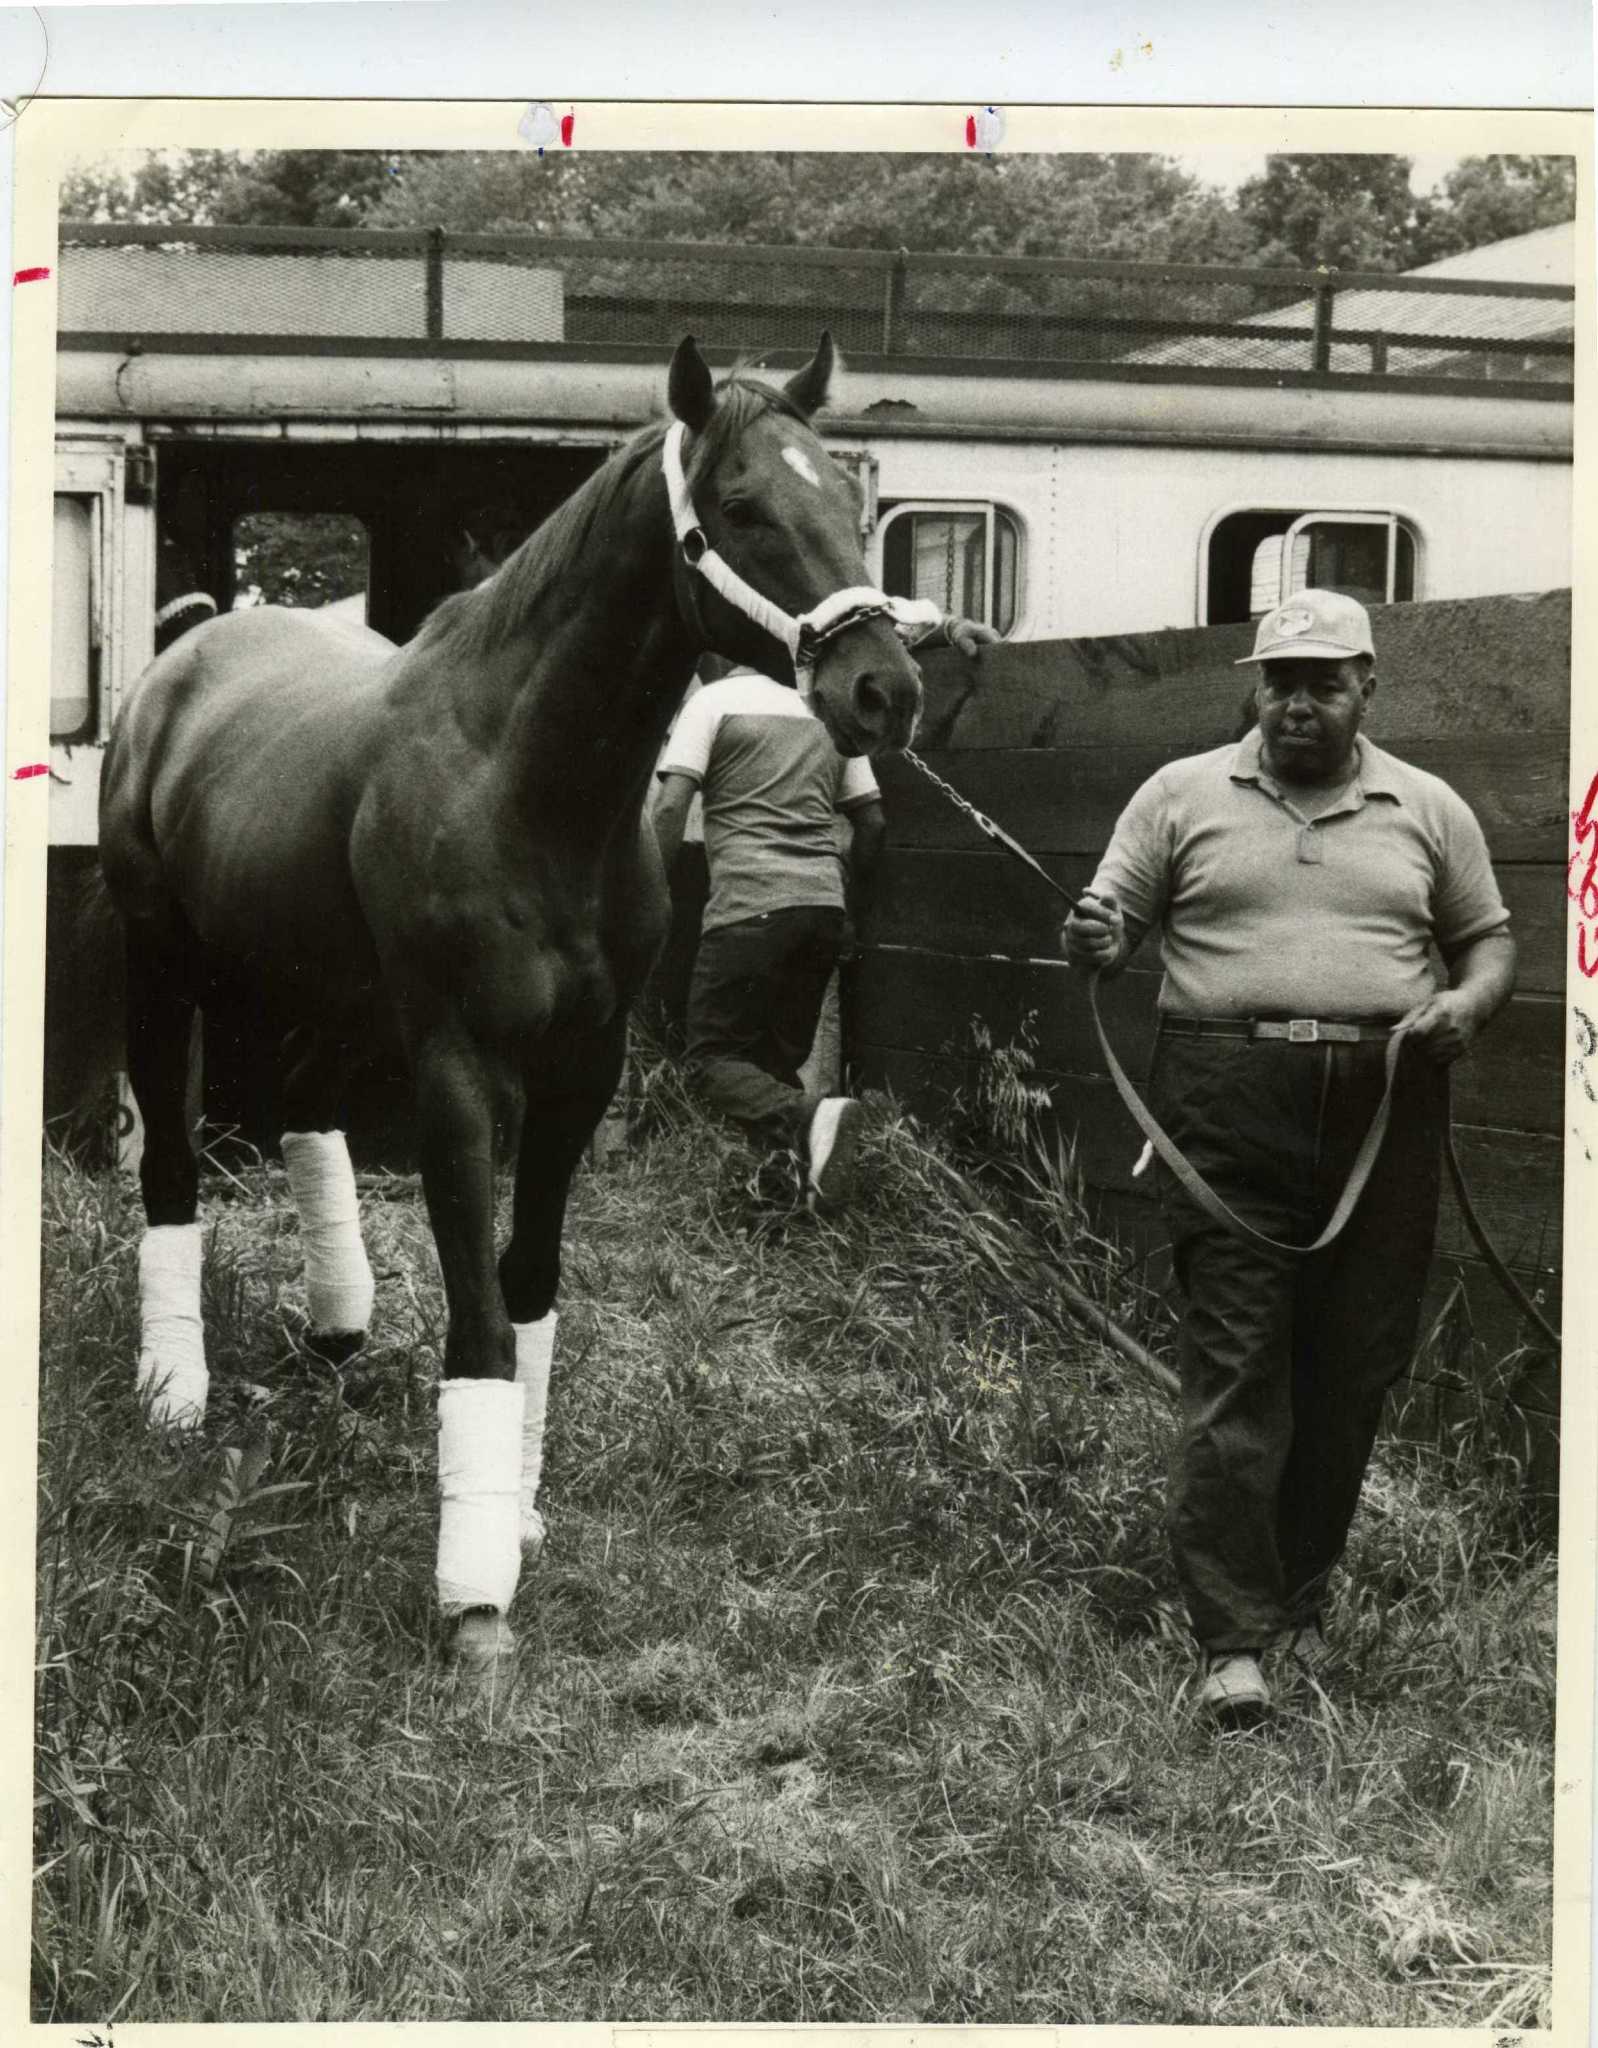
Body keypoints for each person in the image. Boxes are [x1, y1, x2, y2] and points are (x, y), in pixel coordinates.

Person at [1061, 588, 1516, 1723]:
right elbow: (1108, 925)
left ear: (1367, 688)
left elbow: (1487, 942)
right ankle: (1231, 1643)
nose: (1297, 703)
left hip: (1384, 1105)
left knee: (1353, 1367)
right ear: (1254, 689)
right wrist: (1095, 936)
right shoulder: (1177, 794)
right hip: (1226, 1100)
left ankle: (1298, 1600)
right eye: (1279, 682)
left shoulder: (1427, 806)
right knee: (1236, 1365)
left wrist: (1465, 1006)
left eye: (1323, 683)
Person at [654, 615, 996, 1209]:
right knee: (775, 1067)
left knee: (709, 1062)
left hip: (747, 908)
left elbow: (668, 809)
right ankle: (786, 1200)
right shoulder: (827, 710)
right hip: (821, 912)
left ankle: (811, 1117)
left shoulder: (710, 703)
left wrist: (654, 903)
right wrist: (849, 913)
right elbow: (872, 822)